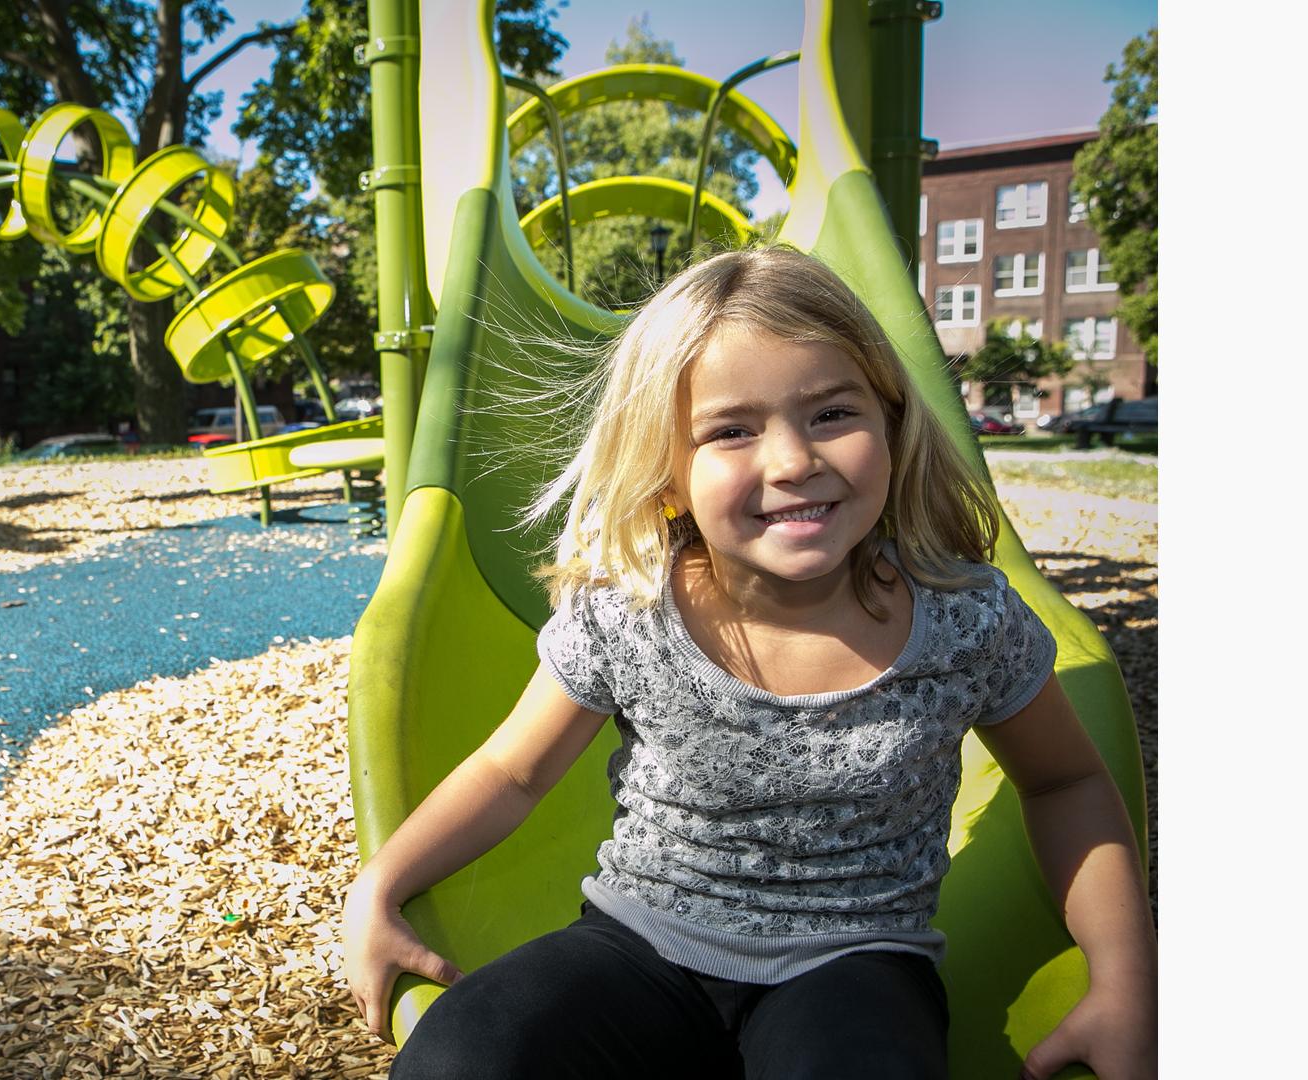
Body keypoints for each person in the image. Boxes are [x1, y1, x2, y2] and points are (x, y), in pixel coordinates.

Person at [343, 247, 1156, 1079]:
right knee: (463, 1055)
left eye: (833, 413)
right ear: (667, 473)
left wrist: (1126, 982)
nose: (793, 460)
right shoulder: (631, 609)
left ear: (892, 423)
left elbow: (1065, 783)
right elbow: (510, 773)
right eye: (732, 430)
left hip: (856, 962)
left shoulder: (963, 618)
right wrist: (379, 886)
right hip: (641, 940)